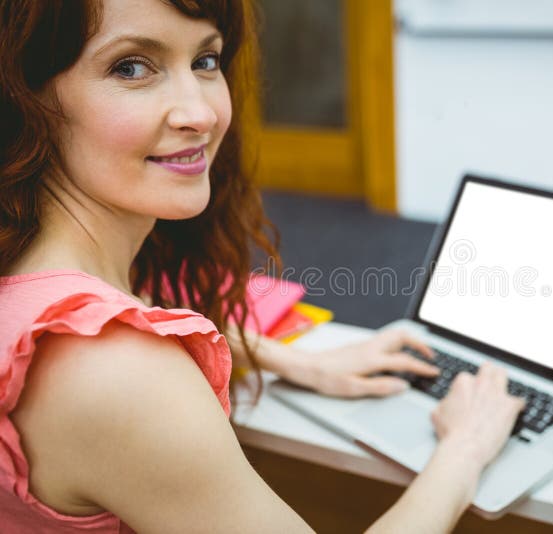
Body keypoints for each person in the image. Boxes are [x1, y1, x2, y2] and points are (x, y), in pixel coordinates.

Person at [0, 0, 525, 532]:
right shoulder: (115, 371)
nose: (201, 113)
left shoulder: (26, 272)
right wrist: (465, 449)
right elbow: (119, 379)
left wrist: (290, 360)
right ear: (25, 99)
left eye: (206, 61)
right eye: (131, 67)